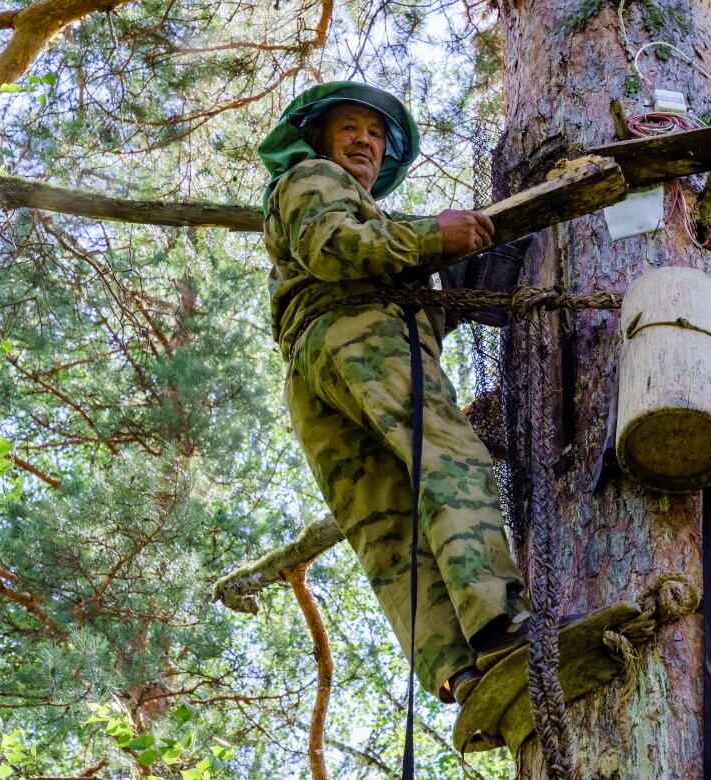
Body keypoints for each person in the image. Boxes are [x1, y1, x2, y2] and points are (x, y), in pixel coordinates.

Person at [257, 81, 533, 707]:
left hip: (319, 366)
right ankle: (502, 622)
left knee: (386, 521)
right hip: (361, 337)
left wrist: (448, 273)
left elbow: (370, 264)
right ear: (319, 140)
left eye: (375, 134)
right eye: (350, 128)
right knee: (450, 454)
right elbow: (336, 248)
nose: (364, 141)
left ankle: (460, 672)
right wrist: (434, 239)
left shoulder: (362, 213)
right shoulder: (314, 178)